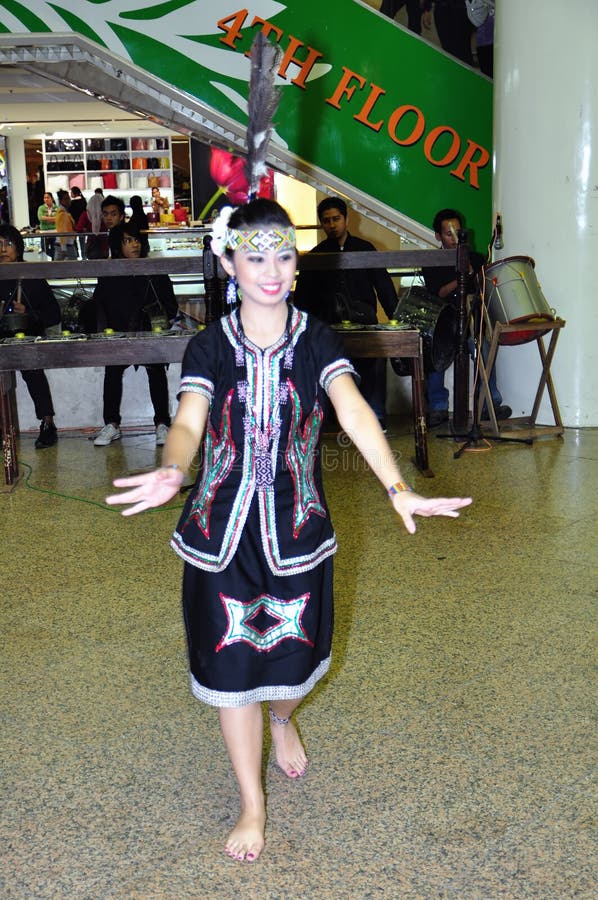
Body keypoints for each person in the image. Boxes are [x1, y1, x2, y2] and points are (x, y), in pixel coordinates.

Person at [105, 198, 472, 863]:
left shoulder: (319, 340)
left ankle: (284, 717)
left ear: (295, 266)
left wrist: (398, 488)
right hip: (220, 536)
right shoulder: (209, 345)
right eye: (254, 257)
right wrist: (171, 467)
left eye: (282, 256)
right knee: (232, 669)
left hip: (298, 529)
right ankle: (251, 799)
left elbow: (355, 411)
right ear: (228, 264)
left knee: (294, 668)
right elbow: (189, 419)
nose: (270, 271)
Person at [293, 196, 397, 430]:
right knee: (327, 367)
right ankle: (331, 420)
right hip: (328, 324)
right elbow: (302, 299)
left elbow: (384, 288)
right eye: (326, 221)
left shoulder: (365, 249)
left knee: (375, 360)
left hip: (364, 322)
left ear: (346, 219)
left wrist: (396, 319)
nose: (332, 225)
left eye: (336, 219)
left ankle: (376, 415)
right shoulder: (315, 256)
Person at [421, 208, 511, 425]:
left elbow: (485, 291)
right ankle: (437, 407)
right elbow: (439, 293)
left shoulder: (476, 258)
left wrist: (474, 272)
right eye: (448, 234)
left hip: (470, 321)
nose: (454, 238)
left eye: (457, 232)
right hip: (444, 323)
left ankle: (488, 404)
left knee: (483, 347)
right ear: (438, 236)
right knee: (434, 347)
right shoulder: (432, 260)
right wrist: (463, 275)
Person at [92, 222, 177, 447]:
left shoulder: (152, 269)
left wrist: (162, 320)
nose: (135, 244)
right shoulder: (110, 272)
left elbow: (170, 303)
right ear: (118, 245)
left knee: (156, 372)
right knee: (111, 374)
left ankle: (162, 424)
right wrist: (104, 334)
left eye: (137, 239)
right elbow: (98, 303)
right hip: (118, 334)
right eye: (128, 240)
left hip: (149, 332)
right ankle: (111, 424)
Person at [0, 224, 60, 448]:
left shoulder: (31, 276)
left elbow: (54, 314)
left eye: (9, 244)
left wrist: (29, 313)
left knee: (34, 373)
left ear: (19, 248)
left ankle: (47, 424)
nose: (3, 249)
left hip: (28, 336)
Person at [76, 188, 108, 261]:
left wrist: (87, 229)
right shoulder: (105, 214)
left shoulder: (85, 214)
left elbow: (79, 228)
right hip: (104, 244)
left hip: (91, 244)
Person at [54, 190, 78, 260]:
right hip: (65, 245)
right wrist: (63, 248)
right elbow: (62, 231)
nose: (69, 200)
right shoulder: (62, 214)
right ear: (61, 201)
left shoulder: (64, 212)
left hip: (64, 244)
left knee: (59, 267)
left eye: (69, 198)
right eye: (66, 199)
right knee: (73, 266)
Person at [37, 190, 56, 259]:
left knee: (55, 248)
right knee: (44, 249)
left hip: (55, 232)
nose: (46, 199)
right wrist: (52, 219)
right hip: (44, 232)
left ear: (52, 198)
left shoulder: (57, 208)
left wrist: (47, 218)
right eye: (44, 198)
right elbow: (41, 218)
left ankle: (54, 261)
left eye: (48, 197)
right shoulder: (41, 208)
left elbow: (59, 218)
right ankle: (53, 257)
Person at [69, 186, 87, 259]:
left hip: (74, 224)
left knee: (73, 241)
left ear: (74, 193)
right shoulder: (84, 201)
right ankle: (84, 257)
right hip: (83, 225)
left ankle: (76, 256)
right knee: (82, 241)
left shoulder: (72, 203)